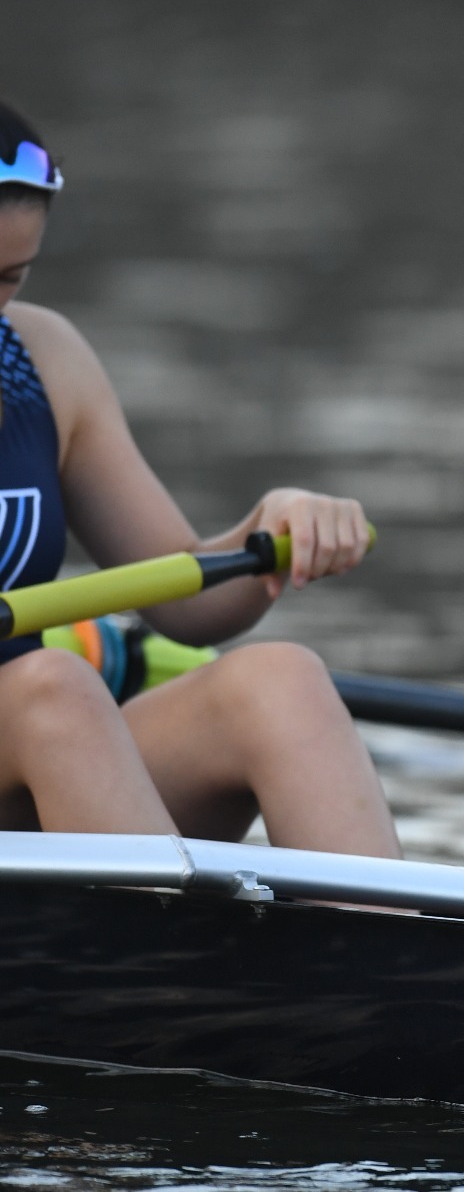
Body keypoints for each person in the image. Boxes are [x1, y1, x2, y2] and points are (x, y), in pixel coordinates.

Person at [0, 100, 398, 857]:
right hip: (43, 718)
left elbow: (178, 594)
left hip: (42, 762)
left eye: (9, 278)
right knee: (52, 689)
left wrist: (273, 528)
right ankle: (159, 968)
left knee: (280, 682)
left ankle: (385, 961)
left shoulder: (44, 360)